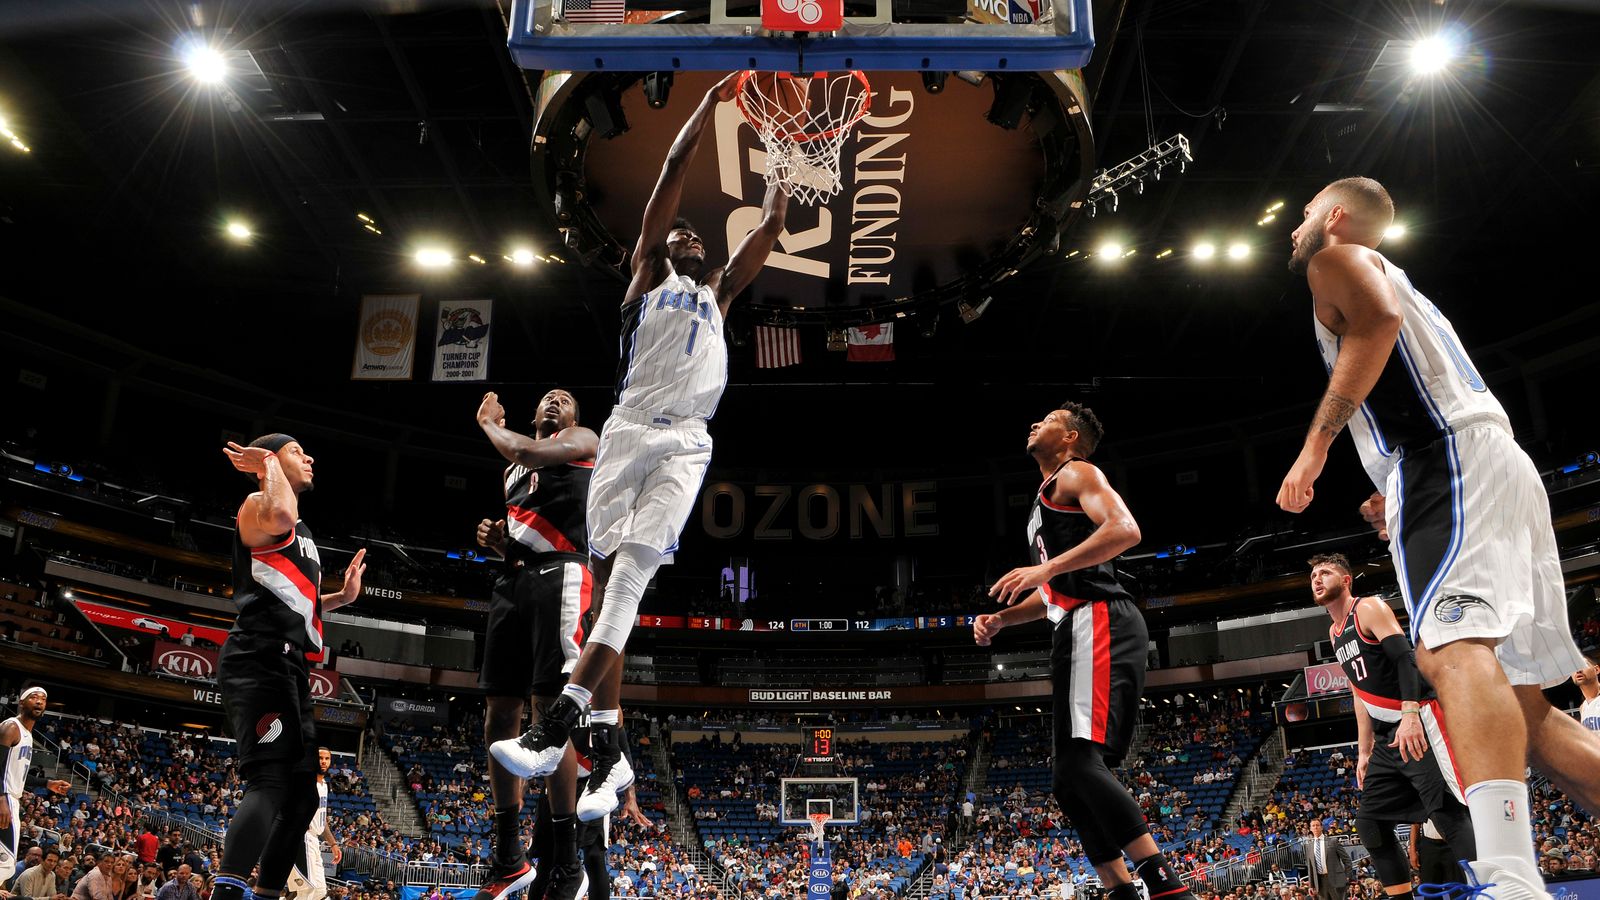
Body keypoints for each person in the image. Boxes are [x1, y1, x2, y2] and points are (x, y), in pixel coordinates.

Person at [1280, 176, 1600, 898]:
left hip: (1447, 462)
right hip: (1467, 464)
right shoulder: (1398, 277)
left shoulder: (1339, 258)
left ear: (1334, 217)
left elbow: (1379, 322)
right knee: (1521, 706)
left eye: (1302, 214)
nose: (1293, 228)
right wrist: (1390, 488)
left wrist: (1316, 447)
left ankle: (1513, 879)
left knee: (1449, 652)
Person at [491, 71, 789, 823]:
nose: (689, 236)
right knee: (600, 601)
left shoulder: (718, 298)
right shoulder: (642, 283)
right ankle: (613, 759)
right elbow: (673, 172)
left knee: (628, 583)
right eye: (679, 233)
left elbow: (768, 229)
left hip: (686, 443)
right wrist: (709, 102)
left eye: (696, 234)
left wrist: (783, 158)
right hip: (626, 431)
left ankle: (553, 728)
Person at [975, 404, 1195, 900]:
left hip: (1098, 618)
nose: (1034, 422)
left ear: (1070, 436)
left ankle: (1166, 887)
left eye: (1047, 417)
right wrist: (1002, 618)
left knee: (1077, 767)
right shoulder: (1044, 499)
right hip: (1079, 620)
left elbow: (1125, 530)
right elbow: (1053, 592)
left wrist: (1045, 571)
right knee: (1068, 780)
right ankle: (1119, 888)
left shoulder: (1078, 472)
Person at [215, 435, 367, 900]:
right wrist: (265, 466)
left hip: (290, 665)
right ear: (271, 459)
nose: (310, 456)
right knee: (271, 781)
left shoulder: (302, 532)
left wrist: (338, 598)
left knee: (302, 799)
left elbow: (291, 596)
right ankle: (225, 893)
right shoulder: (259, 504)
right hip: (259, 658)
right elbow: (279, 512)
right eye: (297, 450)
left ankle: (265, 894)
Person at [470, 389, 597, 900]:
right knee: (499, 713)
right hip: (514, 580)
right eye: (547, 397)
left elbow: (524, 450)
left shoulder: (582, 440)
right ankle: (508, 857)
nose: (555, 402)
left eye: (564, 400)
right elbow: (526, 520)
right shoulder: (512, 472)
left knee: (550, 711)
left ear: (573, 418)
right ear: (532, 414)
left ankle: (567, 863)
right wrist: (501, 541)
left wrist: (488, 425)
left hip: (563, 575)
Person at [1308, 552, 1475, 898]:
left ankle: (1491, 888)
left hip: (1418, 720)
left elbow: (1406, 659)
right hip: (1386, 737)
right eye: (1313, 575)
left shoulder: (1368, 608)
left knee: (1445, 812)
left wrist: (1411, 714)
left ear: (1346, 580)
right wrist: (1364, 750)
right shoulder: (1334, 631)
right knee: (1370, 823)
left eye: (1325, 572)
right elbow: (1359, 693)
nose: (1317, 579)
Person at [1, 688, 70, 884]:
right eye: (33, 697)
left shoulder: (28, 735)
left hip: (10, 797)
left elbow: (16, 774)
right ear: (21, 703)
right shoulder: (11, 727)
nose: (39, 701)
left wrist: (48, 783)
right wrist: (1, 799)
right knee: (5, 865)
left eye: (43, 699)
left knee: (4, 864)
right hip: (4, 798)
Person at [285, 748, 340, 900]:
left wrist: (333, 844)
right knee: (307, 889)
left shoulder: (324, 786)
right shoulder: (303, 783)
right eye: (320, 758)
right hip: (301, 836)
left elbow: (321, 820)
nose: (323, 761)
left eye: (327, 758)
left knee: (320, 892)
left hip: (314, 839)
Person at [1302, 821, 1353, 900]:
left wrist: (1347, 876)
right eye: (1313, 825)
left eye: (1317, 825)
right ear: (1310, 828)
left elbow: (1347, 860)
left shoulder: (1333, 841)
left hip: (1336, 879)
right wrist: (1311, 885)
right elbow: (1310, 868)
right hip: (1320, 882)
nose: (1315, 827)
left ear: (1322, 827)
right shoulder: (1308, 846)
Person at [1573, 659, 1600, 732]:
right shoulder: (1582, 708)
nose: (1578, 670)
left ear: (1596, 670)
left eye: (1582, 665)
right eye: (1573, 667)